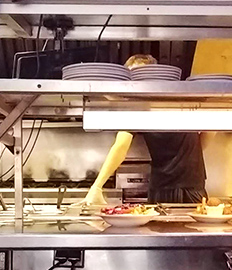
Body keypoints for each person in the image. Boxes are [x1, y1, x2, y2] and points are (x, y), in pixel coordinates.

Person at [83, 54, 207, 206]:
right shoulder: (139, 106)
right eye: (132, 78)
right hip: (167, 185)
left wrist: (96, 187)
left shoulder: (159, 102)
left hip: (189, 187)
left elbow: (120, 146)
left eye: (140, 76)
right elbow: (120, 146)